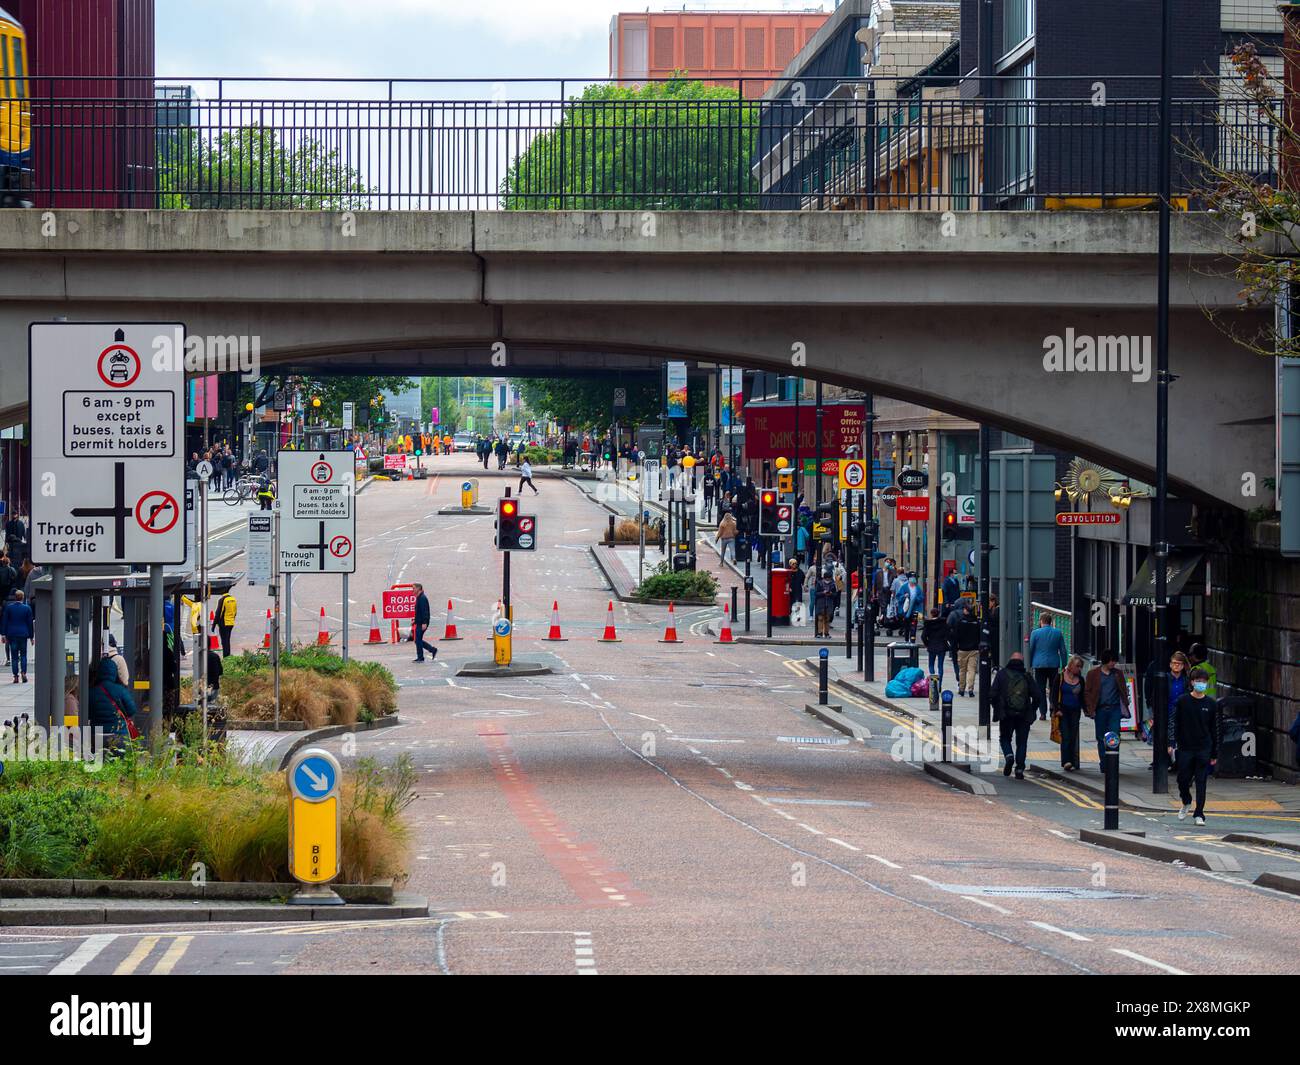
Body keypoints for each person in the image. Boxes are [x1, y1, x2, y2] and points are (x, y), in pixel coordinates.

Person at [1169, 667, 1219, 825]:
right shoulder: (1182, 701)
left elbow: (1214, 729)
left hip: (1204, 748)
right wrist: (1171, 743)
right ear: (1191, 682)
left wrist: (1214, 753)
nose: (1201, 684)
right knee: (1182, 779)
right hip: (1185, 747)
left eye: (1204, 682)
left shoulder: (1211, 704)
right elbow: (1173, 723)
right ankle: (1186, 800)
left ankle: (1199, 814)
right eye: (1198, 681)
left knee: (1201, 781)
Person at [991, 652, 1042, 779]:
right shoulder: (1027, 676)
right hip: (1024, 715)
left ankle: (1009, 755)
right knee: (1022, 742)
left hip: (1006, 714)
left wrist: (998, 709)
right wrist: (1033, 710)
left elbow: (992, 694)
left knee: (1005, 738)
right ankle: (1019, 769)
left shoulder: (1001, 674)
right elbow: (1037, 696)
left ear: (1010, 660)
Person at [1084, 648, 1130, 771]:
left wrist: (1125, 705)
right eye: (1112, 661)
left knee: (1114, 736)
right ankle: (1104, 762)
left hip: (1115, 709)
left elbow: (1123, 690)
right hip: (1100, 710)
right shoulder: (1093, 674)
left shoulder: (1117, 674)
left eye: (1114, 661)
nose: (1114, 663)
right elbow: (1087, 692)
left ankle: (1113, 763)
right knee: (1100, 737)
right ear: (1105, 661)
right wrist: (1089, 708)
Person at [88, 654, 137, 751]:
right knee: (120, 761)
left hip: (97, 735)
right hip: (119, 735)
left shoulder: (91, 692)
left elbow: (87, 714)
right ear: (115, 672)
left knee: (99, 761)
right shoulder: (121, 690)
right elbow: (132, 710)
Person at [1027, 615, 1067, 721]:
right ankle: (1053, 708)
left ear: (1041, 621)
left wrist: (1029, 664)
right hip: (1054, 664)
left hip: (1039, 664)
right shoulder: (1058, 633)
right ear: (1051, 622)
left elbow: (1031, 649)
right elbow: (1063, 650)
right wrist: (1064, 664)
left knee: (1040, 689)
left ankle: (1042, 713)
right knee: (1054, 688)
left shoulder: (1035, 633)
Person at [1050, 654, 1086, 771]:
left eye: (1081, 667)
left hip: (1075, 711)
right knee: (1066, 735)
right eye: (1077, 666)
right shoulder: (1060, 677)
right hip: (1063, 711)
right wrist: (1057, 710)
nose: (1079, 669)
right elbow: (1054, 695)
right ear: (1070, 665)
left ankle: (1073, 761)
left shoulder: (1080, 680)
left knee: (1073, 736)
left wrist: (1087, 710)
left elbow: (1083, 696)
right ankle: (1066, 761)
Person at [1, 590, 34, 683]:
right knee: (23, 655)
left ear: (15, 597)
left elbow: (5, 622)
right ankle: (24, 672)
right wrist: (31, 637)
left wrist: (3, 634)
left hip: (12, 634)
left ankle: (15, 676)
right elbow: (30, 623)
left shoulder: (9, 608)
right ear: (22, 597)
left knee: (14, 656)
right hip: (23, 634)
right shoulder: (27, 608)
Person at [953, 603, 981, 698]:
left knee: (962, 670)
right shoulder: (976, 622)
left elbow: (956, 636)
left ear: (965, 610)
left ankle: (961, 689)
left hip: (962, 649)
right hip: (973, 649)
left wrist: (955, 647)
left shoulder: (960, 621)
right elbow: (979, 635)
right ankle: (970, 689)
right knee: (972, 670)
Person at [921, 608, 948, 687]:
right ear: (938, 614)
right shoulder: (943, 623)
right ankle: (940, 684)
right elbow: (947, 634)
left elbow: (923, 636)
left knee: (931, 664)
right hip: (941, 645)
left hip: (932, 645)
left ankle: (933, 681)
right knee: (940, 666)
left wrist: (927, 644)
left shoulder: (928, 624)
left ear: (931, 614)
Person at [412, 582, 437, 663]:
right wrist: (414, 620)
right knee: (417, 640)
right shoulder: (419, 597)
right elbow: (419, 612)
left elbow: (424, 611)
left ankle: (421, 657)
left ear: (418, 589)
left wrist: (425, 622)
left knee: (418, 640)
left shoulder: (422, 598)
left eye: (414, 588)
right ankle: (432, 650)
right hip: (419, 622)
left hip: (422, 623)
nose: (413, 590)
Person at [813, 567, 837, 640]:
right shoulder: (819, 584)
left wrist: (831, 593)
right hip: (821, 603)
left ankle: (826, 633)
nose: (828, 580)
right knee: (820, 618)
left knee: (827, 619)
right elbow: (816, 593)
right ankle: (819, 633)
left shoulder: (833, 584)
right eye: (826, 578)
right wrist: (823, 593)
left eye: (829, 578)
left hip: (829, 603)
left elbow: (835, 594)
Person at [215, 589, 237, 657]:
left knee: (224, 641)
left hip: (223, 623)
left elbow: (218, 613)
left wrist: (214, 624)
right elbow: (235, 612)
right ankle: (228, 655)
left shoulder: (222, 600)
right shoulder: (233, 599)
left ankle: (226, 656)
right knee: (227, 639)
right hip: (231, 623)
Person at [787, 559, 805, 625]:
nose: (794, 565)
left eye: (795, 563)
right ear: (790, 564)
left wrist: (804, 585)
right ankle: (788, 615)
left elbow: (803, 579)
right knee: (790, 603)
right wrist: (788, 588)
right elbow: (785, 581)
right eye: (793, 564)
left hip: (798, 589)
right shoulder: (788, 572)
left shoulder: (800, 572)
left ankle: (797, 615)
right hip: (790, 589)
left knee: (798, 602)